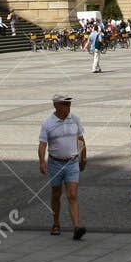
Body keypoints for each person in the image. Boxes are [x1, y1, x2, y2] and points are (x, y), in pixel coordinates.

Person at [38, 94, 87, 239]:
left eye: (69, 104)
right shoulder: (48, 123)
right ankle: (56, 223)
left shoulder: (75, 119)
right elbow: (42, 145)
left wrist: (83, 157)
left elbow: (81, 139)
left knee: (72, 194)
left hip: (72, 162)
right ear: (56, 105)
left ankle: (76, 227)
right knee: (56, 194)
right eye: (65, 104)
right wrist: (42, 161)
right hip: (55, 163)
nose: (68, 106)